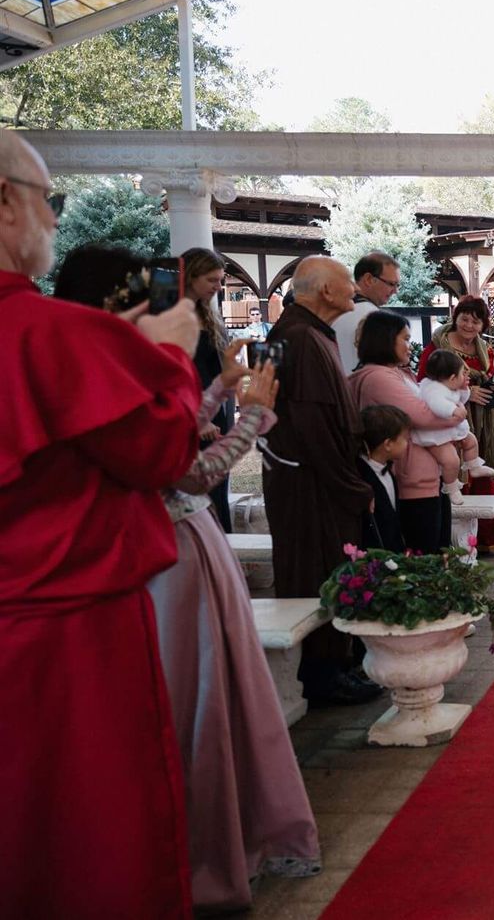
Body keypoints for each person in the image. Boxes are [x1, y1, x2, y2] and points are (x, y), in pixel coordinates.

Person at [54, 247, 321, 911]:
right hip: (169, 553)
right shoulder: (109, 364)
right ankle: (201, 854)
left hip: (180, 544)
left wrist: (219, 391)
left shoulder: (88, 362)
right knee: (193, 704)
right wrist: (255, 413)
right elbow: (188, 470)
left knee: (204, 699)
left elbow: (172, 436)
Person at [0, 130, 201, 918]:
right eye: (47, 199)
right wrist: (171, 357)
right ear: (7, 202)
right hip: (64, 634)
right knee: (90, 838)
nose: (52, 218)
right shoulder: (50, 334)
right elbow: (160, 450)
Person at [262, 255, 378, 706]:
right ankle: (322, 675)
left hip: (323, 481)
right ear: (325, 291)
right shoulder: (300, 337)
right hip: (311, 486)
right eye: (347, 282)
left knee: (332, 568)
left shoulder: (311, 333)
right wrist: (352, 487)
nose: (354, 289)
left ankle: (336, 664)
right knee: (316, 572)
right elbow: (313, 428)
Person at [350, 310, 461, 552]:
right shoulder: (378, 377)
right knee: (424, 551)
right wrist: (456, 416)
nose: (410, 346)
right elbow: (422, 415)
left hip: (426, 476)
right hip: (412, 479)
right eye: (405, 339)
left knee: (437, 547)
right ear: (385, 339)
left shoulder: (396, 373)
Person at [419, 295, 494, 553]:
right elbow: (425, 382)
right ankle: (454, 543)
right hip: (450, 415)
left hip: (484, 418)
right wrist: (467, 395)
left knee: (480, 467)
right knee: (453, 468)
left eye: (476, 321)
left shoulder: (484, 348)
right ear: (455, 318)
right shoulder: (438, 346)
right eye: (465, 319)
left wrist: (493, 385)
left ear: (483, 324)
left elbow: (487, 375)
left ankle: (486, 540)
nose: (469, 325)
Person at [182, 247, 236, 533]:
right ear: (191, 277)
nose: (219, 287)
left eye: (220, 280)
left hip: (219, 417)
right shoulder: (174, 317)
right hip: (197, 420)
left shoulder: (209, 315)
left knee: (217, 493)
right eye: (212, 280)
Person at [415, 348, 494, 504]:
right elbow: (437, 404)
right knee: (451, 460)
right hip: (435, 436)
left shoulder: (449, 385)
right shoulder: (433, 389)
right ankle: (452, 487)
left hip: (450, 429)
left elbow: (462, 398)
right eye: (462, 374)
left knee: (471, 441)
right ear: (452, 378)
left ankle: (474, 466)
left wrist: (464, 388)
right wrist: (453, 410)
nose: (465, 377)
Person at [332, 251, 401, 375]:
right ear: (369, 279)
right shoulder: (375, 319)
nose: (395, 291)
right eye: (391, 284)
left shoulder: (332, 313)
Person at [358, 404, 410, 552]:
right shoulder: (362, 475)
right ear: (388, 444)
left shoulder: (387, 471)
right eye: (404, 438)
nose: (408, 443)